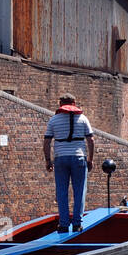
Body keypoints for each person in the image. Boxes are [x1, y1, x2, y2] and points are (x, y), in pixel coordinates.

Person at [43, 94, 95, 233]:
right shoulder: (83, 119)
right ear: (74, 103)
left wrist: (48, 160)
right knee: (79, 191)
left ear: (60, 104)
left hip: (60, 158)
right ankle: (77, 224)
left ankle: (64, 224)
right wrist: (90, 159)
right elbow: (91, 140)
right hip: (79, 158)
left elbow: (47, 141)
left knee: (61, 191)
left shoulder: (54, 120)